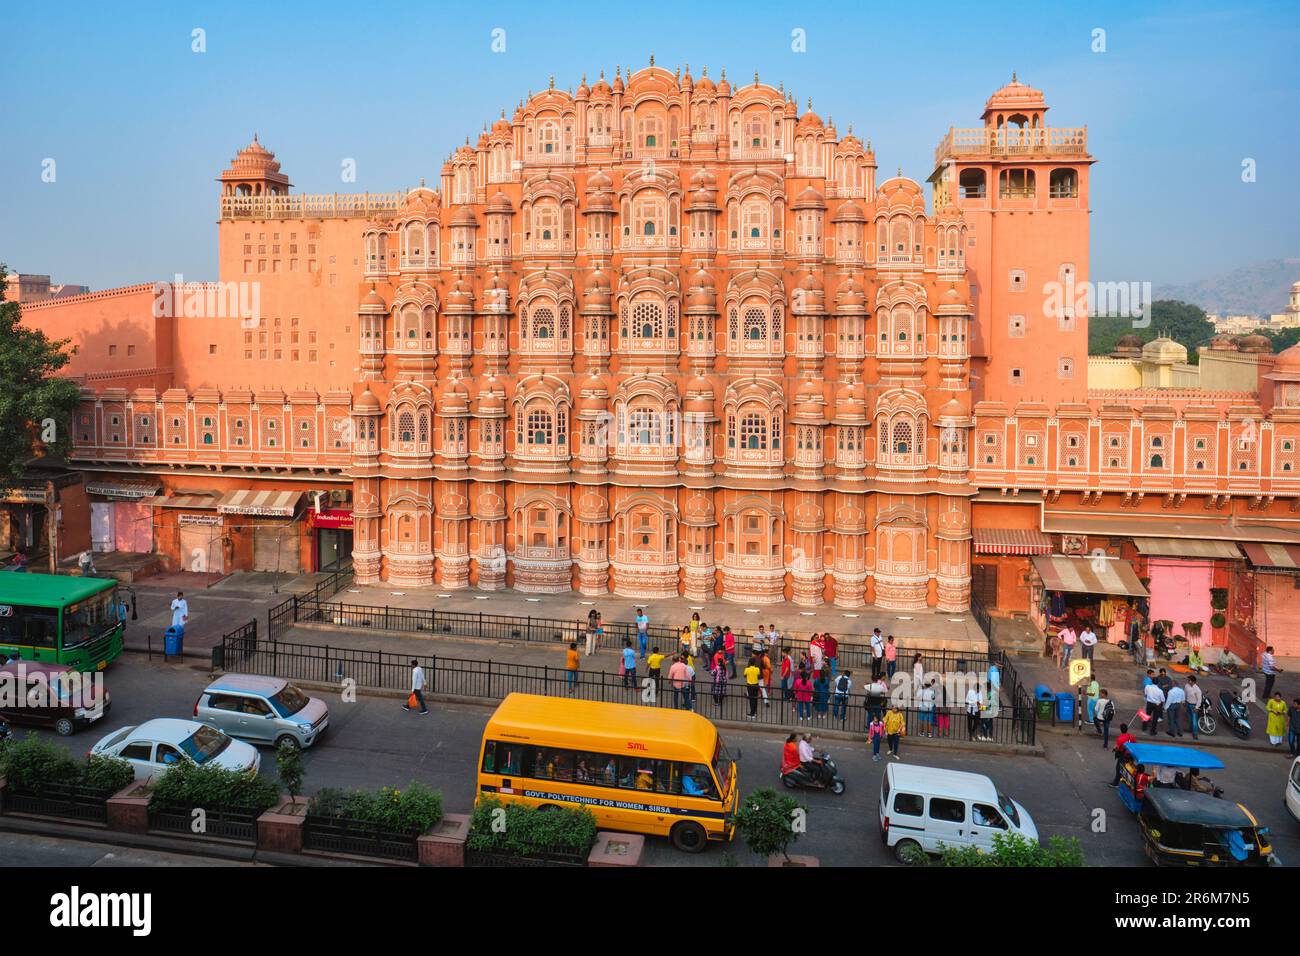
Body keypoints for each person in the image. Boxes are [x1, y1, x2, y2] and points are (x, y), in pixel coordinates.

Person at [1184, 675, 1203, 741]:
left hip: (1194, 706)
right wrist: (1185, 701)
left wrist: (1196, 707)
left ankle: (1195, 734)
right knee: (1189, 718)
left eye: (1190, 680)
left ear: (1194, 681)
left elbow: (1199, 700)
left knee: (1194, 720)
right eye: (1188, 680)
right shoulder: (1186, 686)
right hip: (1188, 704)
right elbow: (1185, 694)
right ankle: (1190, 729)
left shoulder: (1197, 690)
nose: (1188, 681)